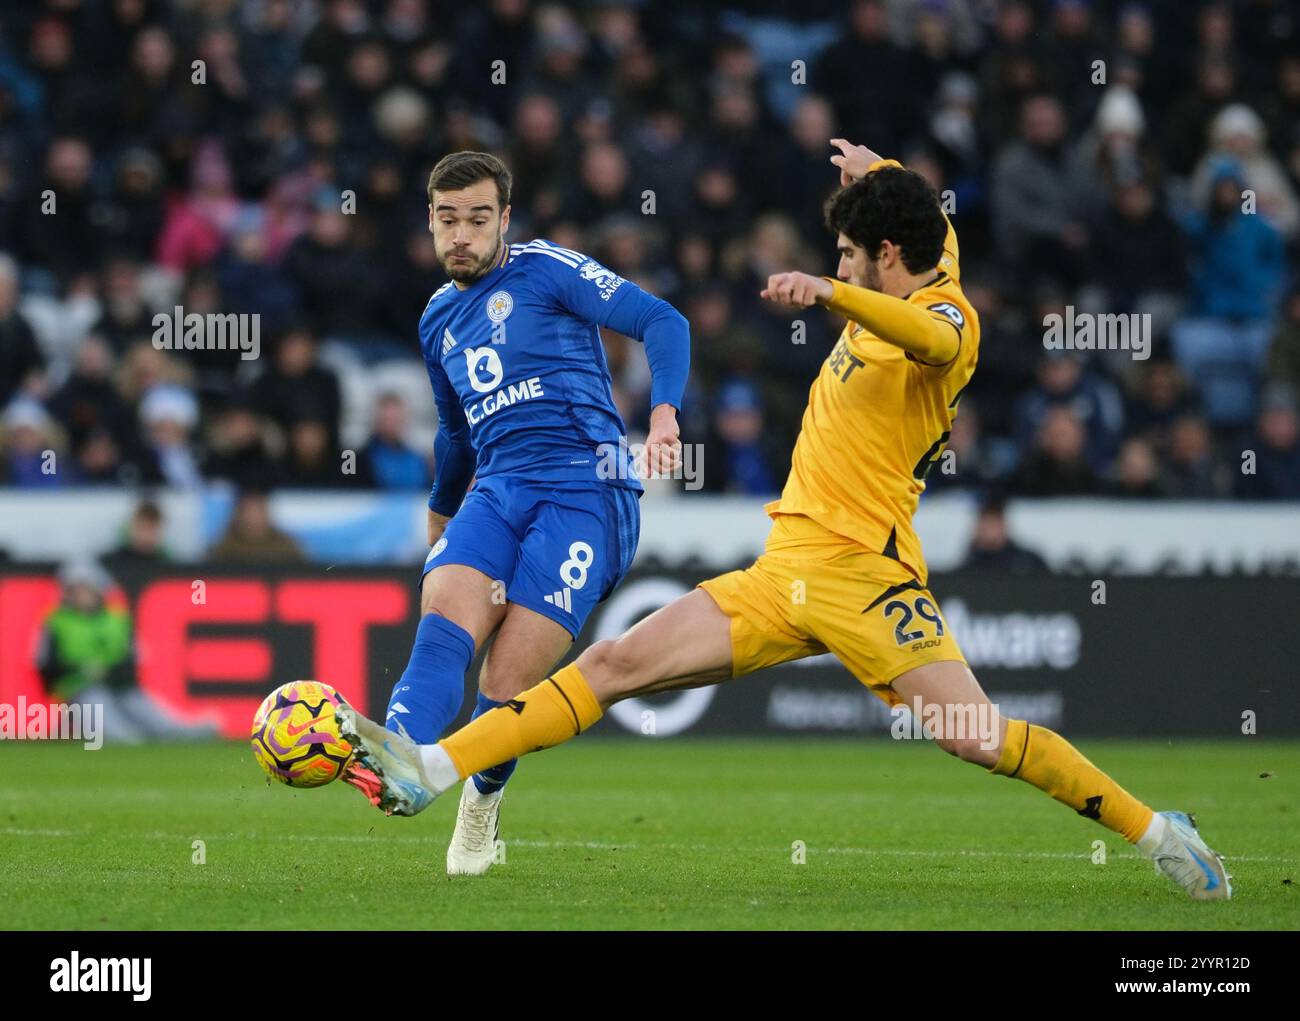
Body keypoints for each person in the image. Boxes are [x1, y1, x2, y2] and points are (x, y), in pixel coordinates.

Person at [341, 141, 1230, 902]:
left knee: (978, 736)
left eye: (849, 254)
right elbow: (929, 225)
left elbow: (933, 336)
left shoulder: (946, 314)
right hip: (783, 568)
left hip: (868, 579)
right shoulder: (926, 253)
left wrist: (830, 294)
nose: (839, 266)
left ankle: (1155, 829)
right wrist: (878, 168)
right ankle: (433, 769)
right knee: (611, 663)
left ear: (885, 257)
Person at [341, 151, 690, 878]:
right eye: (446, 220)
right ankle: (397, 751)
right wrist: (441, 520)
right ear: (429, 223)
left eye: (476, 218)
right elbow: (455, 436)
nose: (460, 234)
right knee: (445, 615)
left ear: (504, 219)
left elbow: (661, 319)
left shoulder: (548, 270)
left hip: (587, 493)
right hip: (497, 489)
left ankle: (478, 806)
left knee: (507, 683)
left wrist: (662, 415)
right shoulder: (437, 318)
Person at [37, 560, 217, 744]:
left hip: (121, 687)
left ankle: (181, 732)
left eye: (85, 588)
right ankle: (130, 742)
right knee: (108, 720)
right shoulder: (56, 622)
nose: (80, 595)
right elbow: (46, 667)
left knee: (148, 712)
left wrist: (107, 673)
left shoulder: (118, 619)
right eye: (74, 590)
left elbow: (132, 662)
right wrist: (80, 671)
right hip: (79, 691)